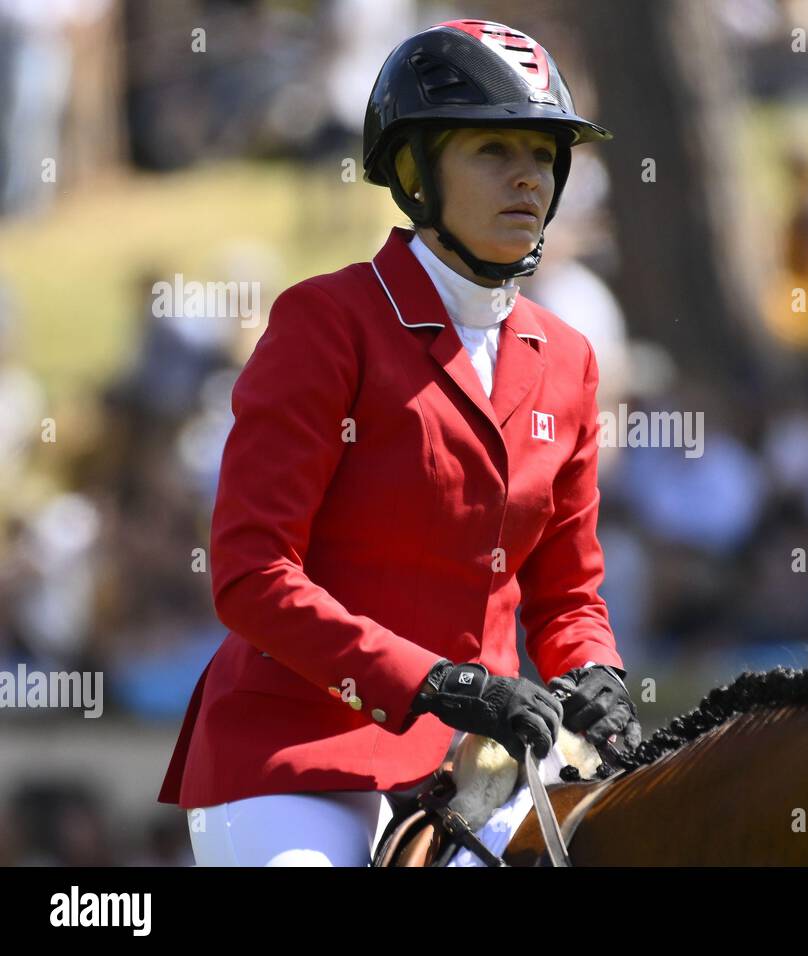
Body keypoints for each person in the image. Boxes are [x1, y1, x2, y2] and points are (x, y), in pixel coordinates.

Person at [157, 19, 641, 866]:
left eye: (544, 155)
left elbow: (567, 598)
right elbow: (251, 577)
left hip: (477, 771)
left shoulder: (568, 360)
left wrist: (594, 671)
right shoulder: (327, 324)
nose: (527, 176)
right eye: (494, 150)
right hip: (295, 763)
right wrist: (434, 683)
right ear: (416, 172)